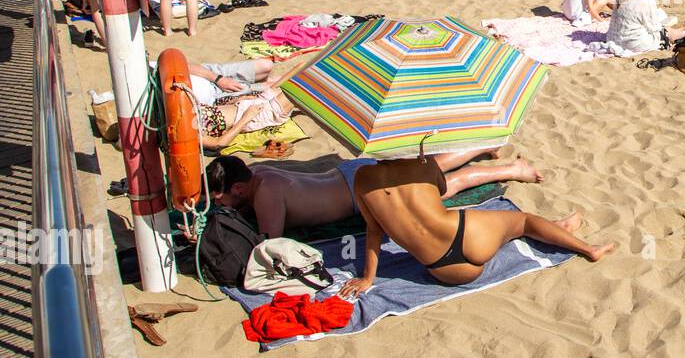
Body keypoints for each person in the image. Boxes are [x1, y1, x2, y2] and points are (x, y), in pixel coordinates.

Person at [332, 152, 614, 296]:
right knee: (524, 221)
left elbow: (374, 232)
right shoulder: (423, 164)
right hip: (466, 235)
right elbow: (440, 189)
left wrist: (368, 279)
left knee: (513, 228)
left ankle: (550, 232)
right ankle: (587, 248)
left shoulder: (363, 178)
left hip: (443, 270)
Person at [204, 147, 547, 239]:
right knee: (430, 166)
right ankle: (483, 145)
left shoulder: (265, 192)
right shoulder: (258, 172)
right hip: (351, 174)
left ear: (238, 187)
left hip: (363, 191)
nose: (223, 204)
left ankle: (512, 170)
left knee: (439, 188)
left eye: (224, 198)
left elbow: (269, 238)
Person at [196, 86, 296, 151]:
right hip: (253, 116)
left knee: (295, 77)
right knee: (297, 89)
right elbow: (218, 144)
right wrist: (246, 117)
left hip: (243, 104)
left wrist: (234, 101)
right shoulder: (186, 132)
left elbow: (213, 111)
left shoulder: (184, 109)